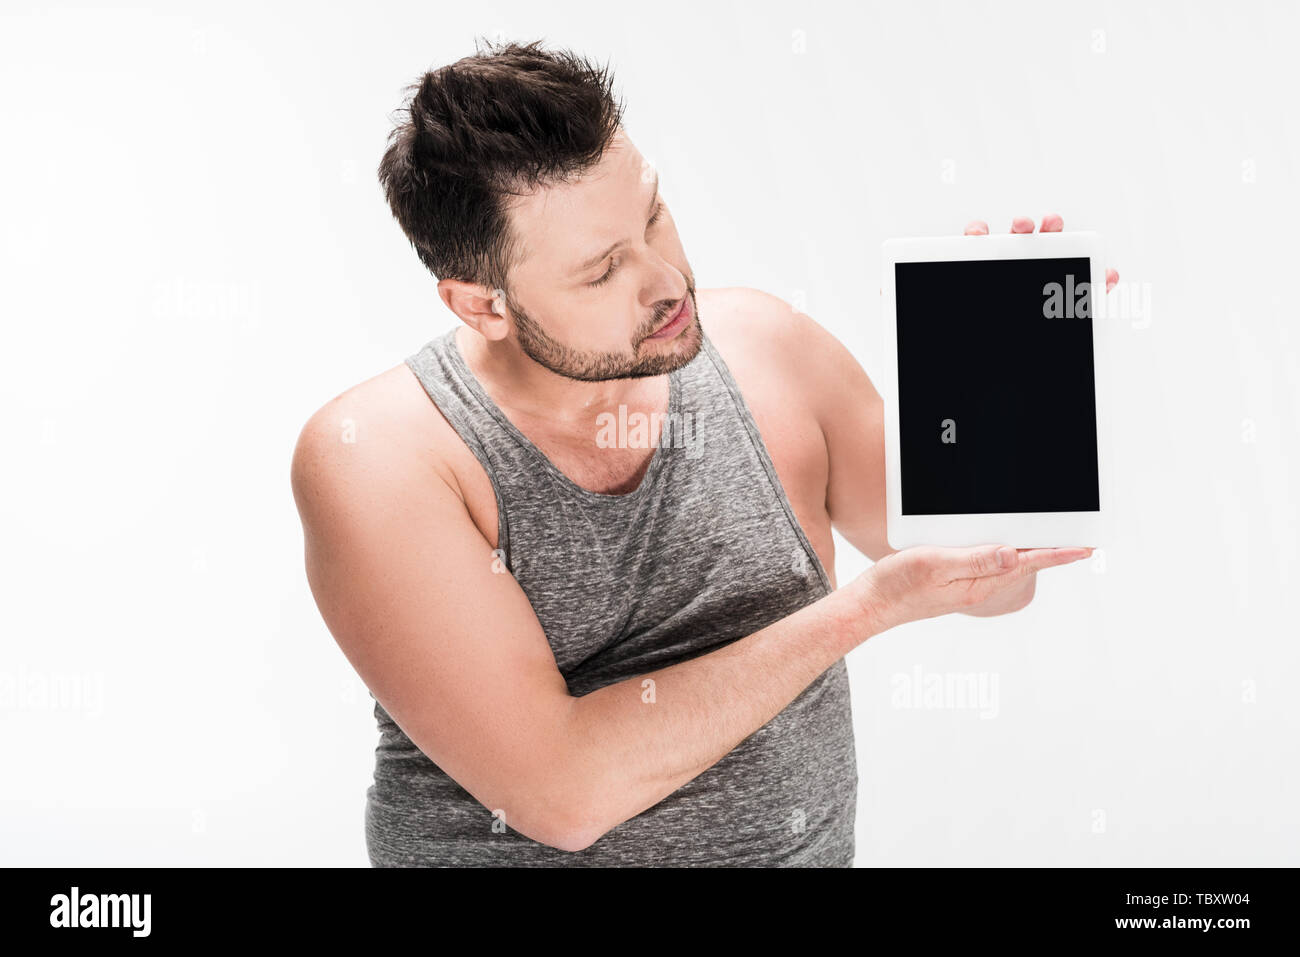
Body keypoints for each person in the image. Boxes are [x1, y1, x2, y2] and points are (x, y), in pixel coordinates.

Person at [290, 40, 1115, 866]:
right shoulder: (382, 457)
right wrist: (863, 609)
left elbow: (985, 582)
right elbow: (562, 792)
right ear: (483, 304)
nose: (667, 281)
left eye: (651, 214)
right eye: (602, 269)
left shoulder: (769, 350)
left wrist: (1007, 398)